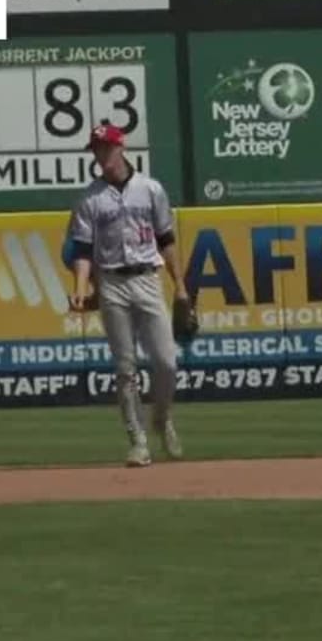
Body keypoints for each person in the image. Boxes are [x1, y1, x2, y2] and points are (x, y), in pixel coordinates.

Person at [66, 123, 187, 467]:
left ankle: (162, 418)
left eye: (106, 147)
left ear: (121, 147)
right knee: (125, 368)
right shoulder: (90, 198)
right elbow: (84, 250)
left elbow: (167, 240)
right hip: (111, 283)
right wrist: (80, 288)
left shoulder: (151, 189)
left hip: (148, 277)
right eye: (96, 148)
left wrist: (180, 286)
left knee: (166, 362)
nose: (101, 153)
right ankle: (138, 441)